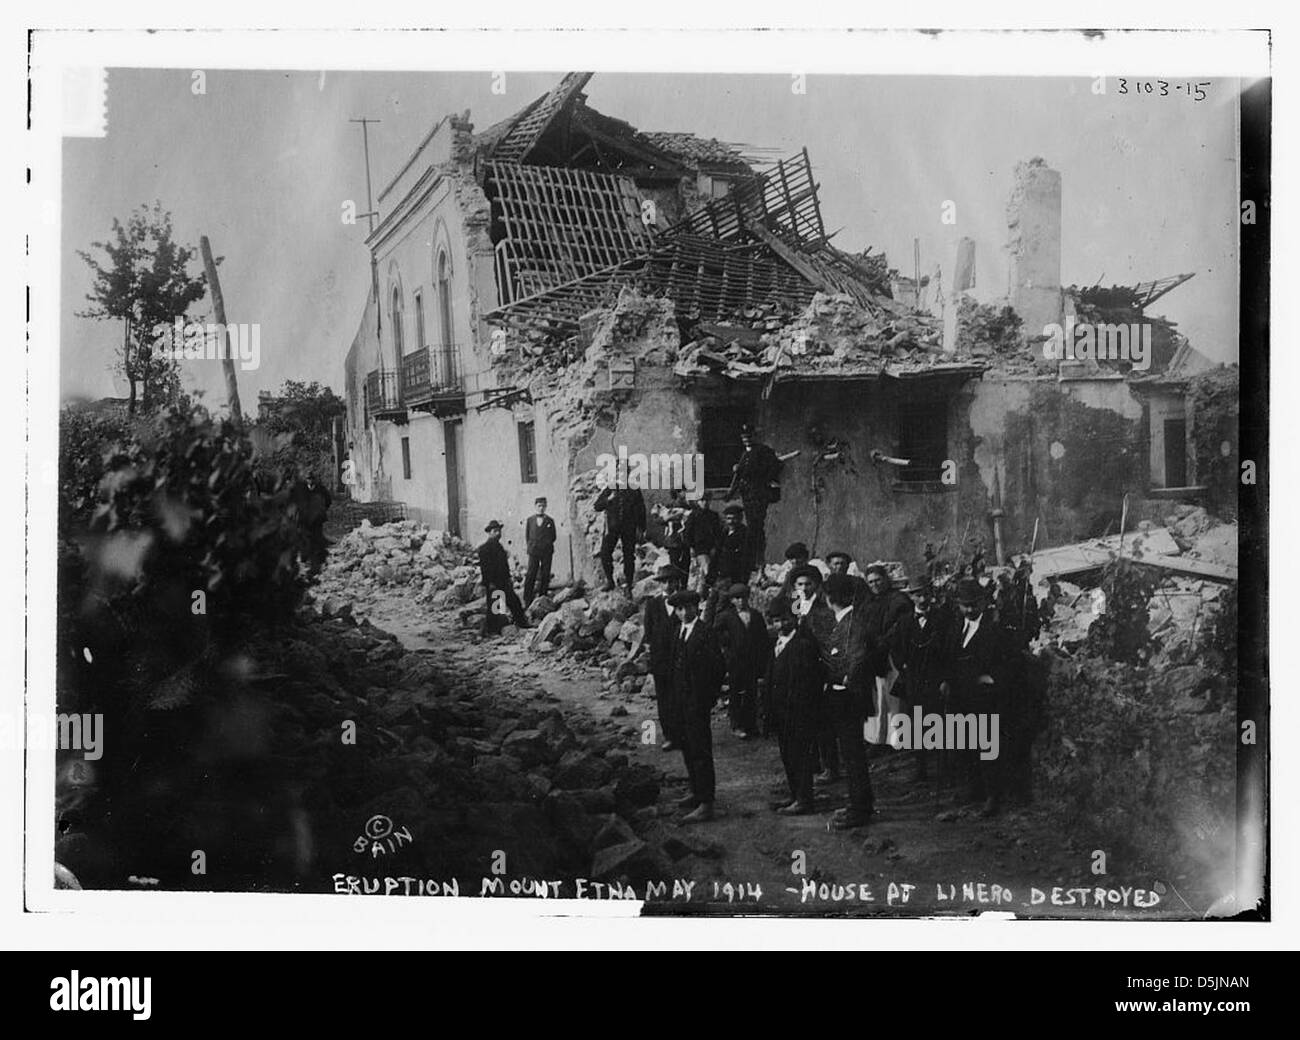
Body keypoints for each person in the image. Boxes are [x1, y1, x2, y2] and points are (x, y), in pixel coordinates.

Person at [941, 577, 1003, 816]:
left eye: (974, 604)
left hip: (983, 698)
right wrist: (946, 680)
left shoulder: (993, 628)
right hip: (960, 695)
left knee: (987, 746)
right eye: (964, 604)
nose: (969, 609)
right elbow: (948, 657)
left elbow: (1007, 661)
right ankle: (973, 787)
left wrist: (991, 678)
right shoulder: (957, 627)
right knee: (964, 744)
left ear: (984, 602)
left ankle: (992, 795)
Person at [820, 573, 878, 830]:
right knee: (851, 755)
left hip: (848, 700)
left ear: (830, 597)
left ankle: (860, 808)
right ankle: (858, 803)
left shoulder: (851, 623)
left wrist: (843, 681)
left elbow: (858, 660)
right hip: (845, 698)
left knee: (853, 756)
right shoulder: (846, 621)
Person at [668, 589, 727, 823]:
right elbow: (674, 666)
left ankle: (706, 803)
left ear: (697, 608)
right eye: (679, 609)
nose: (684, 613)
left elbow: (718, 668)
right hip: (681, 701)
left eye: (688, 608)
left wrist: (706, 698)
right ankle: (695, 791)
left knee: (700, 750)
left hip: (697, 702)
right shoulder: (678, 632)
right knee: (687, 747)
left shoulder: (706, 633)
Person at [765, 594, 826, 815]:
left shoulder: (803, 645)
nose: (780, 624)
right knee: (788, 755)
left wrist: (801, 709)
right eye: (775, 620)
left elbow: (808, 684)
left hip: (798, 712)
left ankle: (804, 798)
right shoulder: (777, 644)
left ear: (795, 618)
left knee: (800, 756)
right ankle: (794, 794)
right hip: (781, 712)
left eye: (784, 619)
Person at [889, 574, 953, 780]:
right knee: (917, 724)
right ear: (911, 598)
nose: (922, 599)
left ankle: (944, 769)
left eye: (925, 594)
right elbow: (896, 649)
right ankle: (921, 768)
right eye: (917, 595)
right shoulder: (905, 621)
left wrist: (945, 678)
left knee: (940, 723)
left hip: (936, 677)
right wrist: (904, 666)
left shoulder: (942, 619)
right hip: (914, 679)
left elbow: (949, 648)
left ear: (931, 594)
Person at [789, 563, 839, 785]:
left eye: (808, 584)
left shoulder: (823, 610)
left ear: (817, 586)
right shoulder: (795, 606)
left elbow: (827, 643)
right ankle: (813, 762)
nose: (804, 588)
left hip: (819, 670)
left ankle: (830, 766)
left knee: (824, 723)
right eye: (800, 584)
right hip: (801, 669)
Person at [712, 583, 771, 739]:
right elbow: (715, 633)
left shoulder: (756, 615)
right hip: (735, 661)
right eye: (737, 598)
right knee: (736, 692)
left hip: (752, 660)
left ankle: (750, 725)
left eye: (743, 597)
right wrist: (727, 643)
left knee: (751, 693)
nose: (741, 601)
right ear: (732, 600)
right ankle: (737, 724)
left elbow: (763, 637)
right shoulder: (726, 616)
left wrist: (762, 658)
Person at [726, 423, 782, 567]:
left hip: (758, 495)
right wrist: (731, 492)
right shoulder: (744, 454)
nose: (747, 440)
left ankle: (759, 562)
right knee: (752, 527)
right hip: (747, 496)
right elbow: (739, 477)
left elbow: (776, 467)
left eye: (749, 437)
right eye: (744, 437)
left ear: (754, 436)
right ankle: (753, 562)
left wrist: (761, 478)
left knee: (755, 528)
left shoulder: (763, 451)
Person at [643, 565, 686, 752]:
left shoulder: (684, 604)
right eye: (665, 581)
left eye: (672, 581)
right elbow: (649, 634)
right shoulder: (653, 605)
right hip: (661, 660)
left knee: (681, 697)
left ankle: (683, 735)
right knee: (664, 699)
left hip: (679, 659)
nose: (668, 585)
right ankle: (669, 736)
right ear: (660, 584)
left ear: (677, 582)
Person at [477, 520, 529, 635]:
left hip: (504, 581)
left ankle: (522, 623)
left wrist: (509, 578)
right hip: (494, 583)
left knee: (514, 602)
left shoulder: (500, 547)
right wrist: (489, 583)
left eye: (499, 531)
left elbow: (504, 566)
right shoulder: (484, 549)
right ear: (489, 533)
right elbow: (485, 569)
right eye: (495, 531)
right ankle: (494, 629)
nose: (498, 533)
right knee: (496, 607)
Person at [594, 484, 646, 591]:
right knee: (605, 553)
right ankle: (610, 581)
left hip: (629, 528)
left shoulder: (634, 490)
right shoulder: (610, 489)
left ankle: (629, 583)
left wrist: (641, 528)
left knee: (629, 556)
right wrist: (608, 500)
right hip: (612, 529)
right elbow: (597, 506)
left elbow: (641, 509)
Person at [292, 472, 333, 576]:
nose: (310, 481)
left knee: (317, 537)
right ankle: (305, 558)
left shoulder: (321, 489)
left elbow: (328, 500)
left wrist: (322, 510)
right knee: (304, 537)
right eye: (308, 479)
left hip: (317, 518)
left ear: (314, 479)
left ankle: (317, 559)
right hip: (304, 519)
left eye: (311, 479)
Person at [682, 493, 722, 593]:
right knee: (704, 569)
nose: (705, 503)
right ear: (697, 502)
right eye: (702, 500)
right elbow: (688, 533)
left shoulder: (714, 516)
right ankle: (701, 592)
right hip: (699, 547)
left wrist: (716, 547)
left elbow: (718, 533)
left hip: (712, 547)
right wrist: (691, 547)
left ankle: (707, 591)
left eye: (707, 500)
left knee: (712, 569)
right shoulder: (694, 515)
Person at [523, 497, 557, 606]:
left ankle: (543, 597)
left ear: (546, 507)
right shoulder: (530, 520)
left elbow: (553, 536)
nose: (541, 508)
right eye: (539, 506)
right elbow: (527, 536)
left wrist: (545, 544)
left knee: (545, 574)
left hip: (546, 551)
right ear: (535, 506)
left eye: (543, 506)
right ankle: (527, 599)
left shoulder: (550, 521)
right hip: (534, 551)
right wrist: (532, 545)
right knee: (531, 573)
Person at [713, 504, 755, 588]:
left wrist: (742, 579)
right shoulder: (723, 533)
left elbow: (746, 557)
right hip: (721, 574)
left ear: (740, 519)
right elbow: (717, 554)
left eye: (734, 518)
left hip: (735, 576)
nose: (731, 522)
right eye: (728, 519)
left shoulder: (744, 534)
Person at [661, 489, 692, 576]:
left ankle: (681, 585)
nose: (685, 493)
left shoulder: (688, 506)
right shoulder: (670, 507)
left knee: (684, 564)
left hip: (683, 540)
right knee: (677, 564)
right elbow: (660, 520)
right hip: (675, 539)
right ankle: (676, 585)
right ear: (678, 493)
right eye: (683, 491)